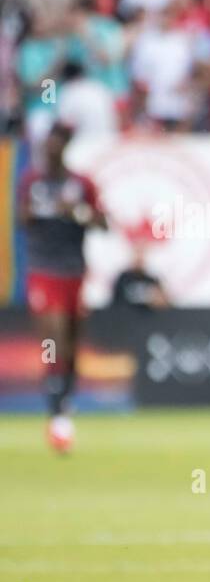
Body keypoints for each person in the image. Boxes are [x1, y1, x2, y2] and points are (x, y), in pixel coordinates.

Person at [17, 123, 107, 453]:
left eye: (56, 144)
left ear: (65, 147)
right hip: (44, 271)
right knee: (52, 339)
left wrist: (78, 212)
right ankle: (56, 414)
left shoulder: (81, 184)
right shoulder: (32, 182)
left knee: (69, 346)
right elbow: (21, 220)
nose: (50, 150)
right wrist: (36, 212)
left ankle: (64, 401)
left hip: (73, 271)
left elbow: (103, 223)